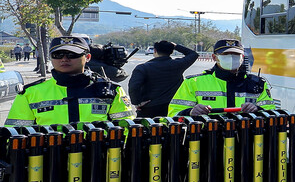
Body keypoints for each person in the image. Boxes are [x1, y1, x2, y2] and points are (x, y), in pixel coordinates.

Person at [3, 35, 132, 127]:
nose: (64, 59)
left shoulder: (111, 91)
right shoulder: (29, 93)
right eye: (58, 55)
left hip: (99, 161)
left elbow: (127, 131)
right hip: (48, 162)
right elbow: (14, 134)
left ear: (87, 57)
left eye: (72, 54)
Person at [168, 39, 276, 116]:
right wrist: (190, 112)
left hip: (245, 141)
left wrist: (257, 109)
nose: (231, 58)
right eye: (226, 55)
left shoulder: (258, 83)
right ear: (214, 57)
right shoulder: (193, 82)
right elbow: (173, 114)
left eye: (235, 55)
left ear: (242, 57)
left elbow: (272, 112)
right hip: (208, 140)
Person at [128, 40, 200, 118]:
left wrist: (137, 102)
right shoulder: (178, 64)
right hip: (172, 107)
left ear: (155, 51)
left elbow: (134, 86)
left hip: (149, 108)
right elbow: (193, 54)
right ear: (171, 52)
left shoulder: (143, 68)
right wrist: (176, 46)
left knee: (146, 129)